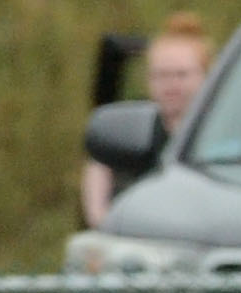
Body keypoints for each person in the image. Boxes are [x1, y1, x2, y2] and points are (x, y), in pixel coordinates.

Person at [82, 12, 212, 229]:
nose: (171, 84)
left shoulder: (225, 133)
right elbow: (99, 160)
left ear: (208, 76)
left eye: (181, 75)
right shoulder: (131, 129)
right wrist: (103, 220)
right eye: (161, 75)